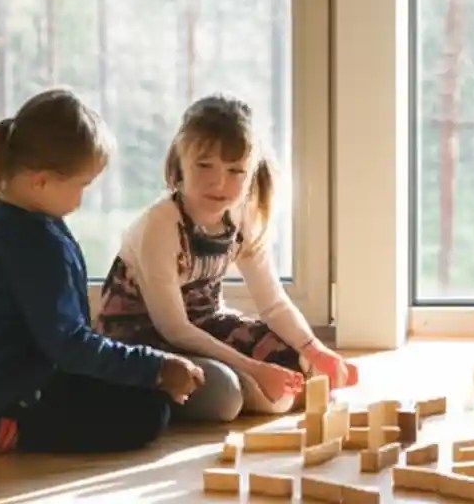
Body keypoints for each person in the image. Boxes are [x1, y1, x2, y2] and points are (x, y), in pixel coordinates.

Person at [0, 89, 204, 458]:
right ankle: (8, 427)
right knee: (149, 413)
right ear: (41, 181)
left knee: (142, 390)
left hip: (14, 377)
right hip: (26, 387)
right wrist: (155, 368)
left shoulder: (16, 219)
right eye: (81, 186)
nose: (82, 199)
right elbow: (69, 345)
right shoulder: (33, 243)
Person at [96, 94, 356, 422]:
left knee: (297, 360)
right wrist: (254, 369)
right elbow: (174, 328)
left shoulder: (243, 215)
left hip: (206, 326)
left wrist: (314, 348)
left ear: (251, 175)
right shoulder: (160, 225)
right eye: (204, 165)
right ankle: (252, 390)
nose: (219, 182)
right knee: (225, 396)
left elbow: (273, 304)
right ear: (180, 165)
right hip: (144, 338)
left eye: (235, 171)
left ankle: (265, 389)